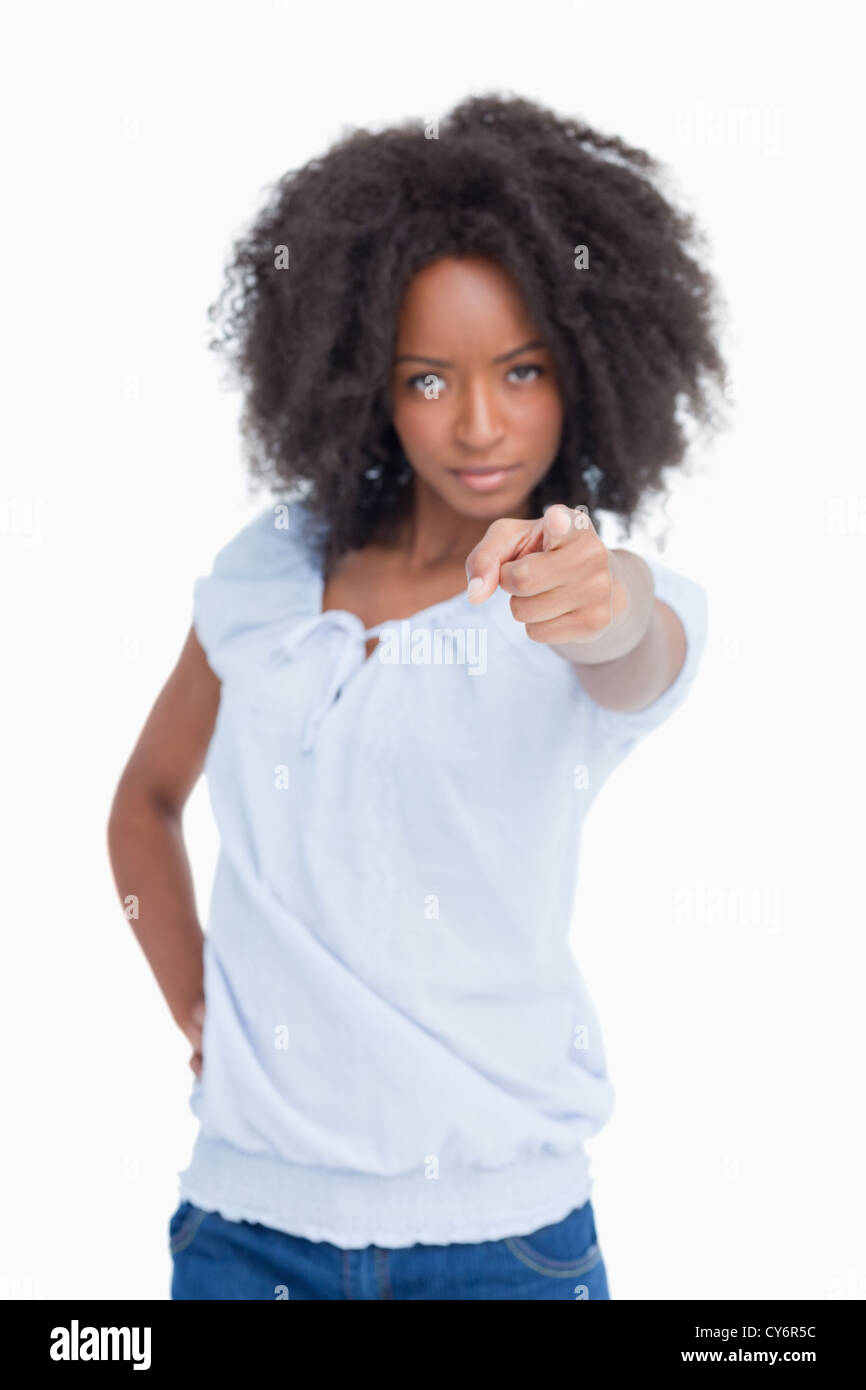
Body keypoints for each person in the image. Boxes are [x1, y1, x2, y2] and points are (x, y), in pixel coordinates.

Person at [107, 91, 727, 1300]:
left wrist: (596, 602)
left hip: (504, 1251)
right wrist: (198, 1010)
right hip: (246, 1233)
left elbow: (633, 646)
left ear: (590, 368)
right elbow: (144, 799)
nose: (481, 422)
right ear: (363, 384)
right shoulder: (268, 579)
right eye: (428, 378)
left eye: (523, 369)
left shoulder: (578, 589)